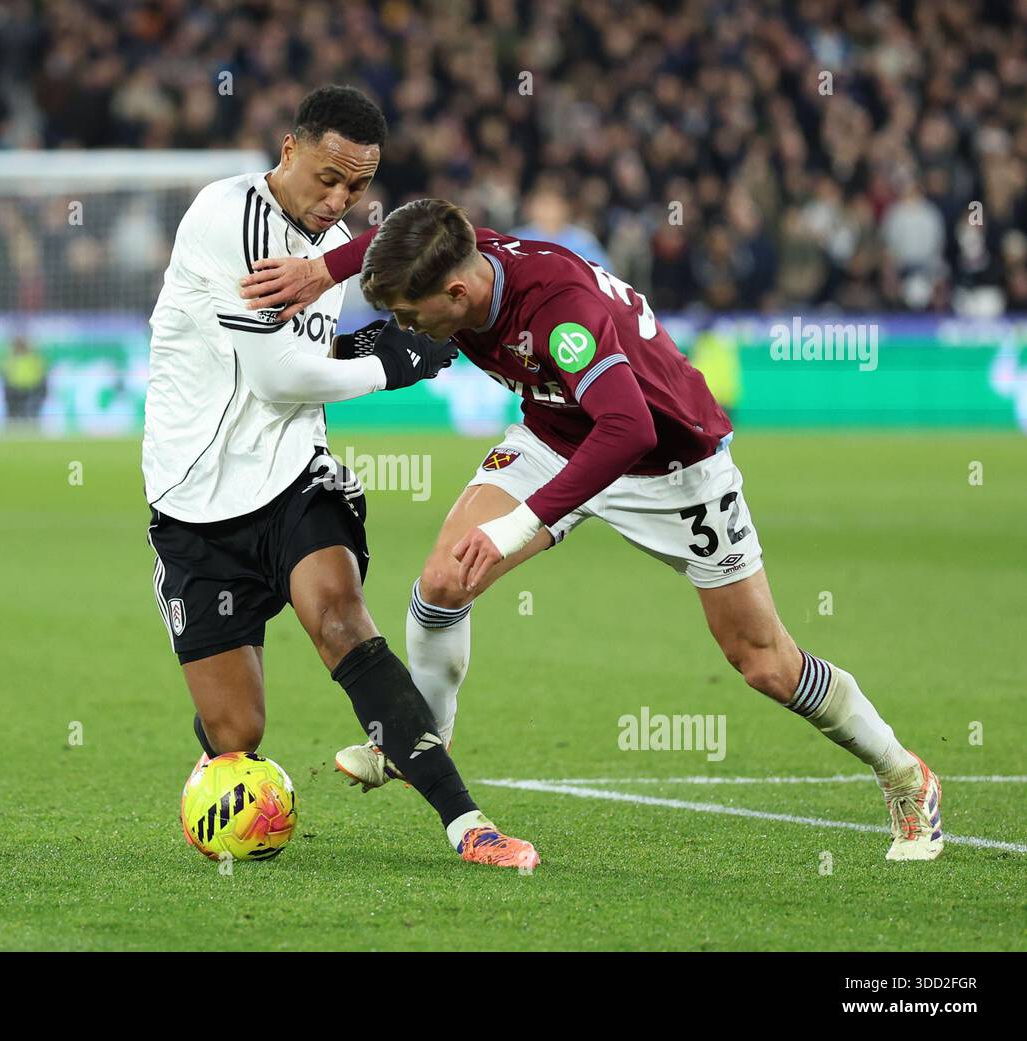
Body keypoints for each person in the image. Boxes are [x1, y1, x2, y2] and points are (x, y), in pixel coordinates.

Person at [239, 199, 943, 862]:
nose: (404, 323)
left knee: (763, 661)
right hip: (558, 431)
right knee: (444, 578)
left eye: (408, 310)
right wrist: (318, 270)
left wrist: (521, 523)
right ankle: (420, 737)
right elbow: (408, 221)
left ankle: (904, 773)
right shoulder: (456, 249)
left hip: (671, 465)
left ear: (456, 293)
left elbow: (630, 427)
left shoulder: (557, 309)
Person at [145, 88, 537, 868]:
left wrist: (418, 326)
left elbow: (380, 293)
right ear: (288, 150)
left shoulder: (333, 239)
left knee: (339, 619)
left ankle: (469, 827)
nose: (340, 201)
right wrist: (392, 362)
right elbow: (279, 376)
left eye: (358, 187)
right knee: (237, 733)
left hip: (294, 477)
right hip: (193, 498)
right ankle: (217, 755)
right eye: (328, 178)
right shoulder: (230, 221)